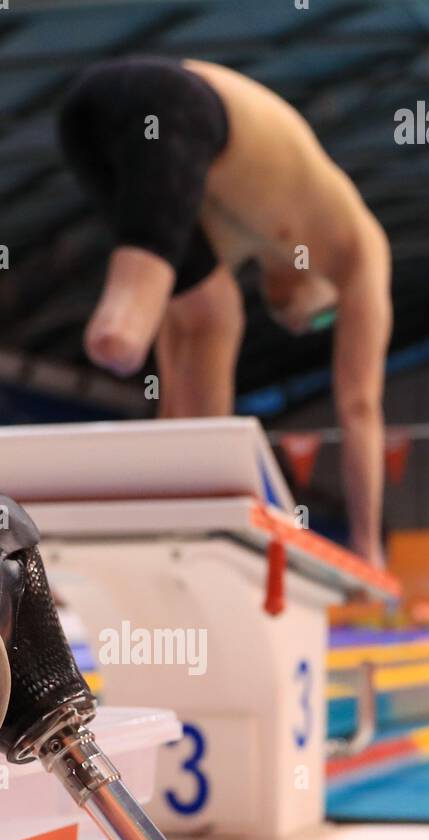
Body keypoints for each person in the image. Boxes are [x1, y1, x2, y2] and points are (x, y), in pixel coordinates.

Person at [59, 56, 393, 567]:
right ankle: (121, 326)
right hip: (177, 103)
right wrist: (368, 546)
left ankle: (196, 494)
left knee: (215, 310)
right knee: (139, 322)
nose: (301, 325)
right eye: (323, 320)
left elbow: (181, 338)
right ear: (334, 298)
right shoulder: (360, 249)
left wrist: (171, 480)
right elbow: (361, 406)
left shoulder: (241, 225)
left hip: (87, 118)